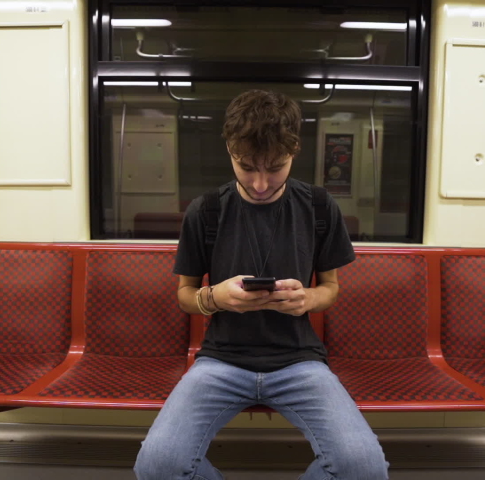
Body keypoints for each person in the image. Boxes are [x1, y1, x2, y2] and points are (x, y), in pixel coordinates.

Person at [134, 90, 389, 480]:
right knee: (157, 466)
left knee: (364, 468)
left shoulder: (319, 208)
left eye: (275, 167)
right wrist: (215, 297)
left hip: (299, 361)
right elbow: (185, 296)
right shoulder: (206, 211)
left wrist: (306, 298)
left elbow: (331, 289)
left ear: (295, 150)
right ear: (230, 150)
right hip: (221, 359)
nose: (259, 183)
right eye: (247, 166)